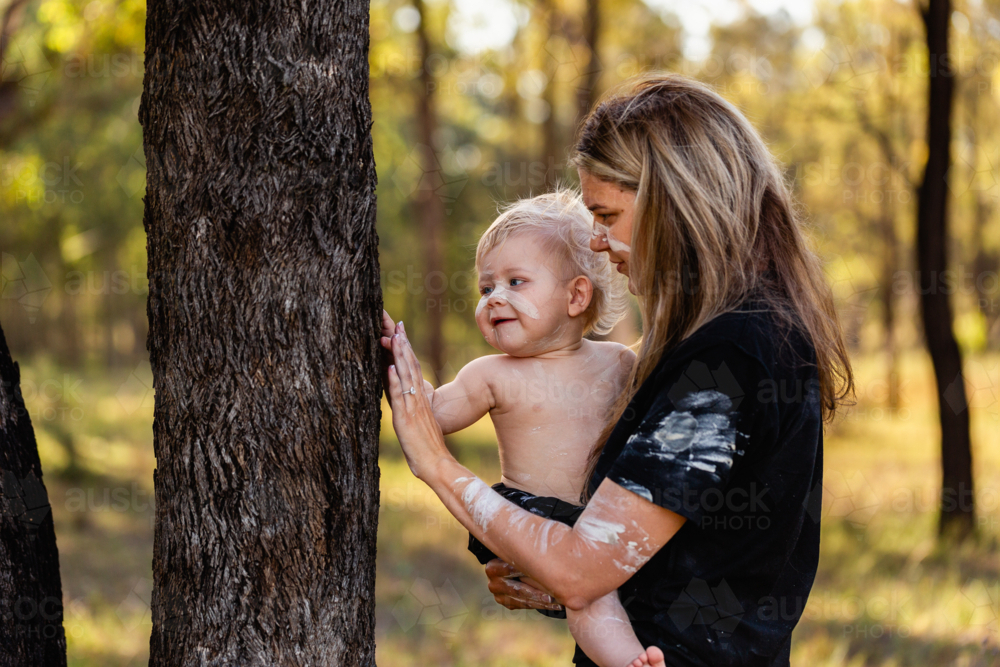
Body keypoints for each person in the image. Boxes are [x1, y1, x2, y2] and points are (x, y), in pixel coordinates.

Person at [381, 72, 854, 666]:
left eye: (607, 215)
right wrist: (539, 566)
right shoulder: (728, 334)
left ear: (675, 200)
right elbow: (664, 553)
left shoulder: (732, 352)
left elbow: (585, 569)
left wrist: (437, 466)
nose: (599, 241)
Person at [400, 188, 662, 666]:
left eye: (516, 282)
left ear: (576, 295)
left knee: (607, 582)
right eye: (486, 288)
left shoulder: (619, 363)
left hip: (599, 521)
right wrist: (400, 366)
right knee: (589, 596)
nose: (495, 298)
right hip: (529, 515)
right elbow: (431, 415)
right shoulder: (491, 373)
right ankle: (625, 661)